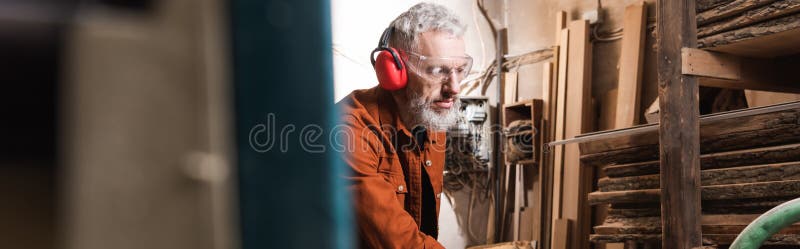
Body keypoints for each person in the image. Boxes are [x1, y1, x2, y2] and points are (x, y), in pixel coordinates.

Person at [336, 2, 473, 248]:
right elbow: (400, 242)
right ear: (393, 70)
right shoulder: (349, 130)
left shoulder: (430, 118)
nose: (454, 88)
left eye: (461, 69)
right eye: (438, 70)